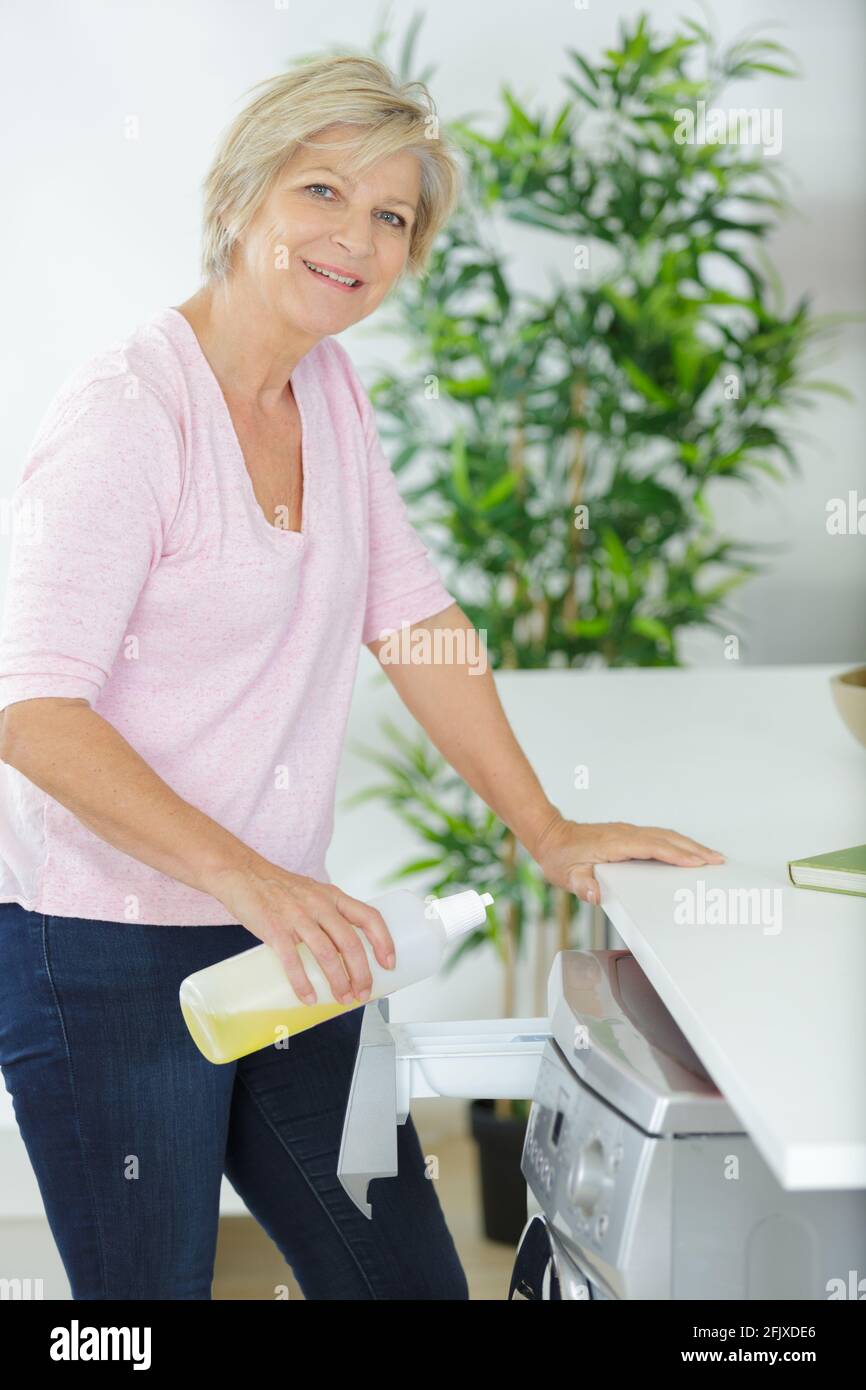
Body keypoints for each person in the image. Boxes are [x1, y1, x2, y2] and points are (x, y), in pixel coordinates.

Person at [0, 55, 723, 1301]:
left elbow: (415, 619)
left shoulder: (327, 393)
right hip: (101, 948)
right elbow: (31, 710)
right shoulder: (130, 411)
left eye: (391, 215)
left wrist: (544, 828)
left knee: (407, 1285)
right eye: (322, 191)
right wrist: (254, 878)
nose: (357, 237)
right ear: (241, 197)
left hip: (286, 933)